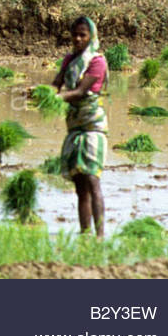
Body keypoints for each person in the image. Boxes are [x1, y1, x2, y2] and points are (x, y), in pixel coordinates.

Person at [47, 15, 109, 237]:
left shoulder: (97, 61)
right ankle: (85, 235)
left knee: (93, 179)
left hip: (93, 126)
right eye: (74, 34)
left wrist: (57, 99)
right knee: (79, 185)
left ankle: (100, 235)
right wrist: (41, 94)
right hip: (74, 126)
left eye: (82, 35)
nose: (78, 39)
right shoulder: (69, 59)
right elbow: (56, 84)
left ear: (91, 36)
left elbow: (81, 91)